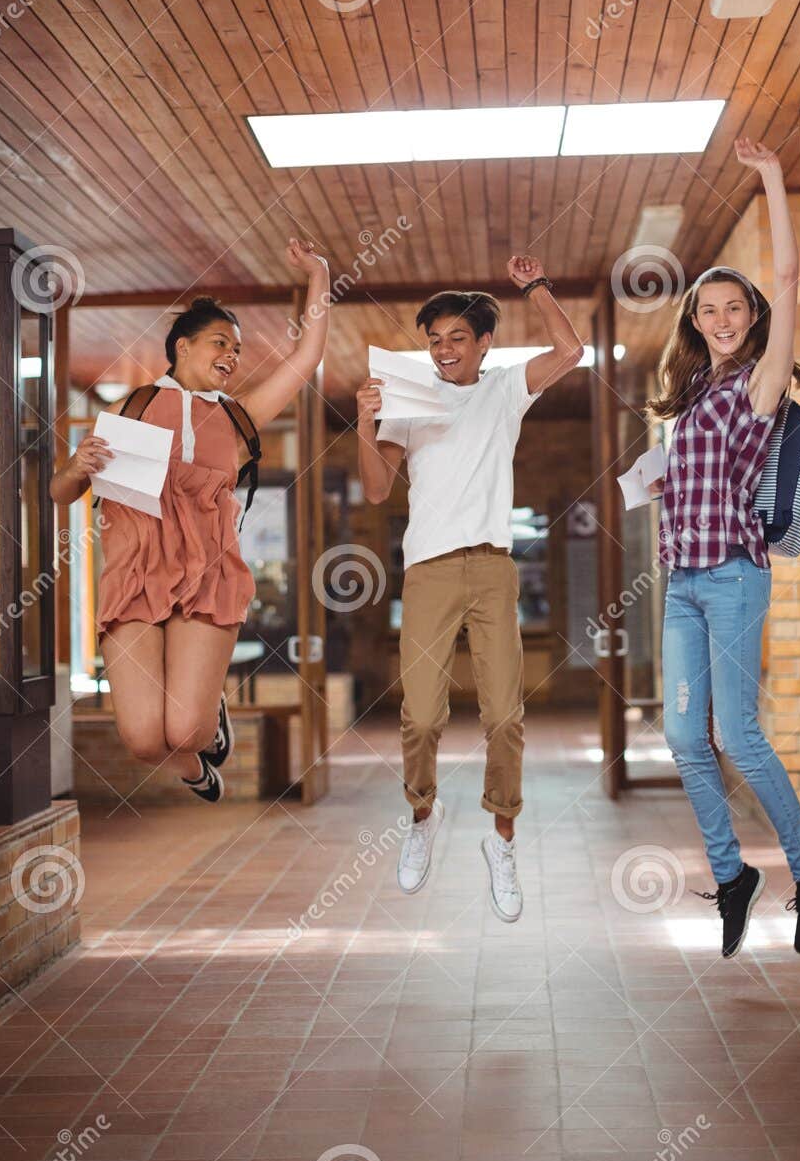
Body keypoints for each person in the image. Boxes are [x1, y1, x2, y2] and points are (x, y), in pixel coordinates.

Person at [646, 139, 800, 958]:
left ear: (753, 316)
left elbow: (789, 277)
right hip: (680, 584)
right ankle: (731, 876)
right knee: (683, 738)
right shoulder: (691, 393)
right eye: (707, 311)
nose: (721, 320)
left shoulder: (758, 382)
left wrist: (766, 176)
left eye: (734, 308)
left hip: (731, 578)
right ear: (693, 323)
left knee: (736, 735)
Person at [50, 240, 330, 803]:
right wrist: (77, 466)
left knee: (185, 729)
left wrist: (319, 275)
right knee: (142, 738)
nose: (232, 355)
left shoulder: (239, 418)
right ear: (182, 346)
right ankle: (193, 768)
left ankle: (205, 720)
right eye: (220, 342)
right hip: (134, 577)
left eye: (238, 349)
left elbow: (306, 358)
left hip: (208, 577)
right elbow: (61, 492)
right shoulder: (130, 408)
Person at [356, 256, 584, 921]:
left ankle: (501, 839)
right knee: (422, 716)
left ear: (484, 343)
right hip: (428, 569)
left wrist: (536, 288)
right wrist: (364, 422)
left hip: (492, 568)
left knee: (504, 716)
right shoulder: (407, 400)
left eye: (457, 337)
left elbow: (570, 351)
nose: (444, 349)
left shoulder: (506, 388)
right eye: (434, 339)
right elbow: (376, 489)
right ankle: (421, 817)